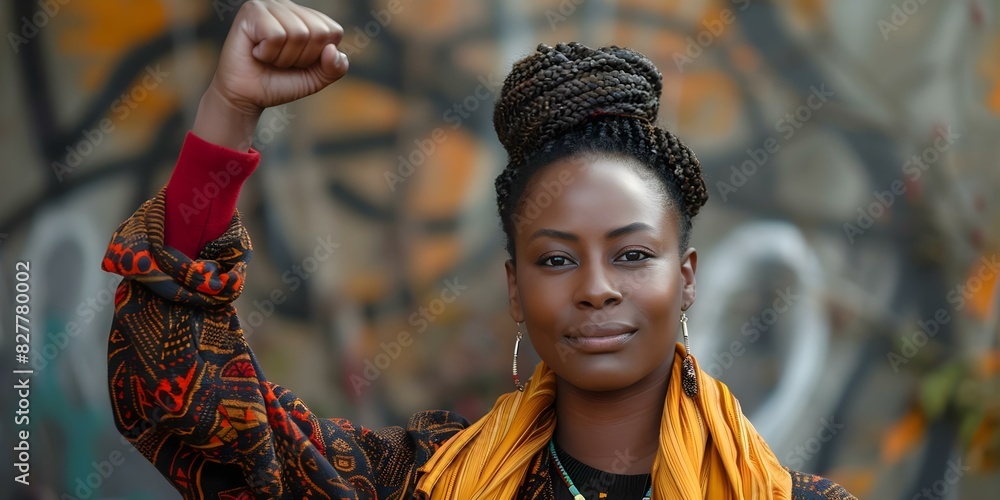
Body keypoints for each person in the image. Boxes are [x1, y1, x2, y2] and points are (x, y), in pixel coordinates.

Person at [101, 1, 857, 498]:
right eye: (556, 259)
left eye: (632, 255)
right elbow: (189, 408)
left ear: (686, 278)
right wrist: (228, 114)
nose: (595, 288)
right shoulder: (424, 482)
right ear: (514, 286)